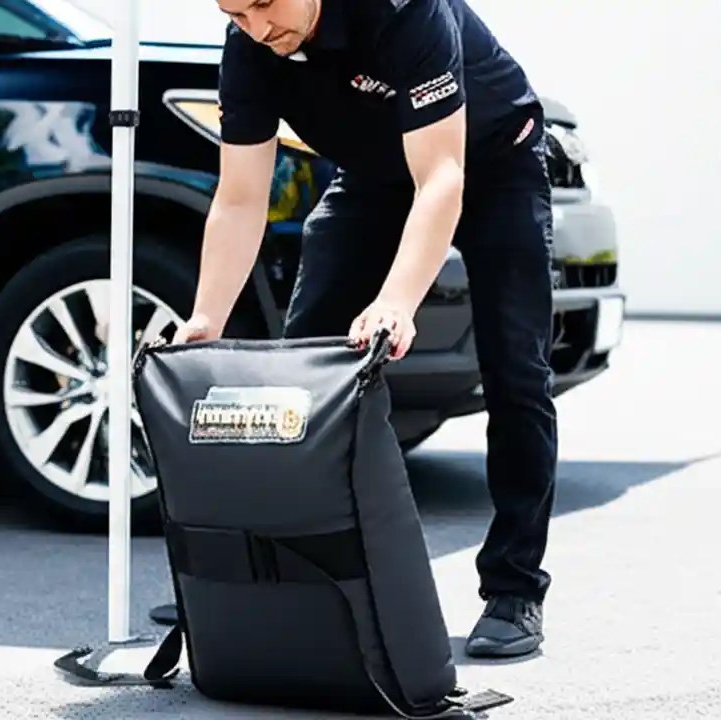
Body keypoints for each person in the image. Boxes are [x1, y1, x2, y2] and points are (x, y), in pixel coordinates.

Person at [160, 0, 558, 659]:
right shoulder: (249, 51)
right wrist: (207, 317)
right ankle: (276, 581)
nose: (257, 27)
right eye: (235, 13)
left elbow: (442, 176)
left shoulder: (402, 11)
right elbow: (238, 199)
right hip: (379, 173)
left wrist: (397, 301)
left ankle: (515, 589)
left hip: (491, 164)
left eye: (263, 3)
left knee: (516, 370)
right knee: (301, 378)